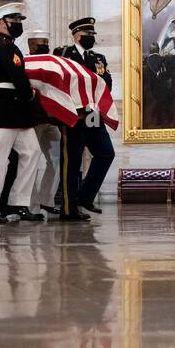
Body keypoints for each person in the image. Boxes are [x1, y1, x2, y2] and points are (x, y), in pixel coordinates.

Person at [0, 3, 44, 224]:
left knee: (32, 152)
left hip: (15, 112)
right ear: (1, 23)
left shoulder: (5, 47)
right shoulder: (2, 47)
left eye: (19, 22)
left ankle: (19, 202)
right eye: (13, 22)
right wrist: (30, 95)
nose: (17, 25)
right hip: (1, 111)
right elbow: (18, 78)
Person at [59, 16, 114, 214]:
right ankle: (69, 207)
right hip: (73, 114)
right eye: (86, 34)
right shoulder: (64, 53)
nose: (90, 37)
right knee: (72, 162)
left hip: (93, 113)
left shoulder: (98, 58)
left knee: (106, 153)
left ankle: (85, 197)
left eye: (92, 34)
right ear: (76, 35)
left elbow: (107, 82)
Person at [26, 29, 61, 215]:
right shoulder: (25, 63)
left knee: (56, 158)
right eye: (40, 44)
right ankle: (31, 206)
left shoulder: (52, 63)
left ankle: (46, 199)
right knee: (31, 160)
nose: (45, 46)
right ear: (31, 46)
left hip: (52, 119)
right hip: (34, 119)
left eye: (46, 43)